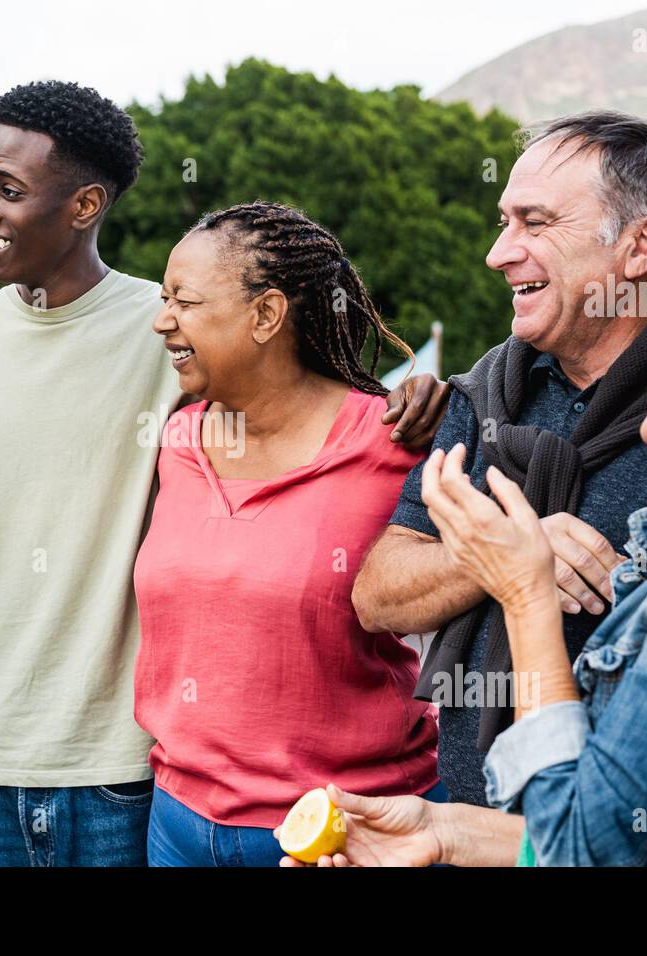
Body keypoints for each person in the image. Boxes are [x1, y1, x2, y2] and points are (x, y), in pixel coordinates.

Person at [0, 81, 447, 866]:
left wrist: (429, 398)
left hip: (127, 765)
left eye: (8, 190)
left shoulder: (173, 337)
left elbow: (293, 402)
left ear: (86, 204)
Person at [352, 110, 647, 805]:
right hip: (464, 815)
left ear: (639, 246)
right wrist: (508, 556)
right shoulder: (486, 390)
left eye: (534, 222)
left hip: (630, 830)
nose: (497, 252)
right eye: (503, 221)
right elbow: (376, 594)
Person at [135, 201, 439, 866]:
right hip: (177, 823)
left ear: (267, 315)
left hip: (345, 831)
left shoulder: (393, 440)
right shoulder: (181, 440)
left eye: (183, 300)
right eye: (163, 298)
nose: (162, 320)